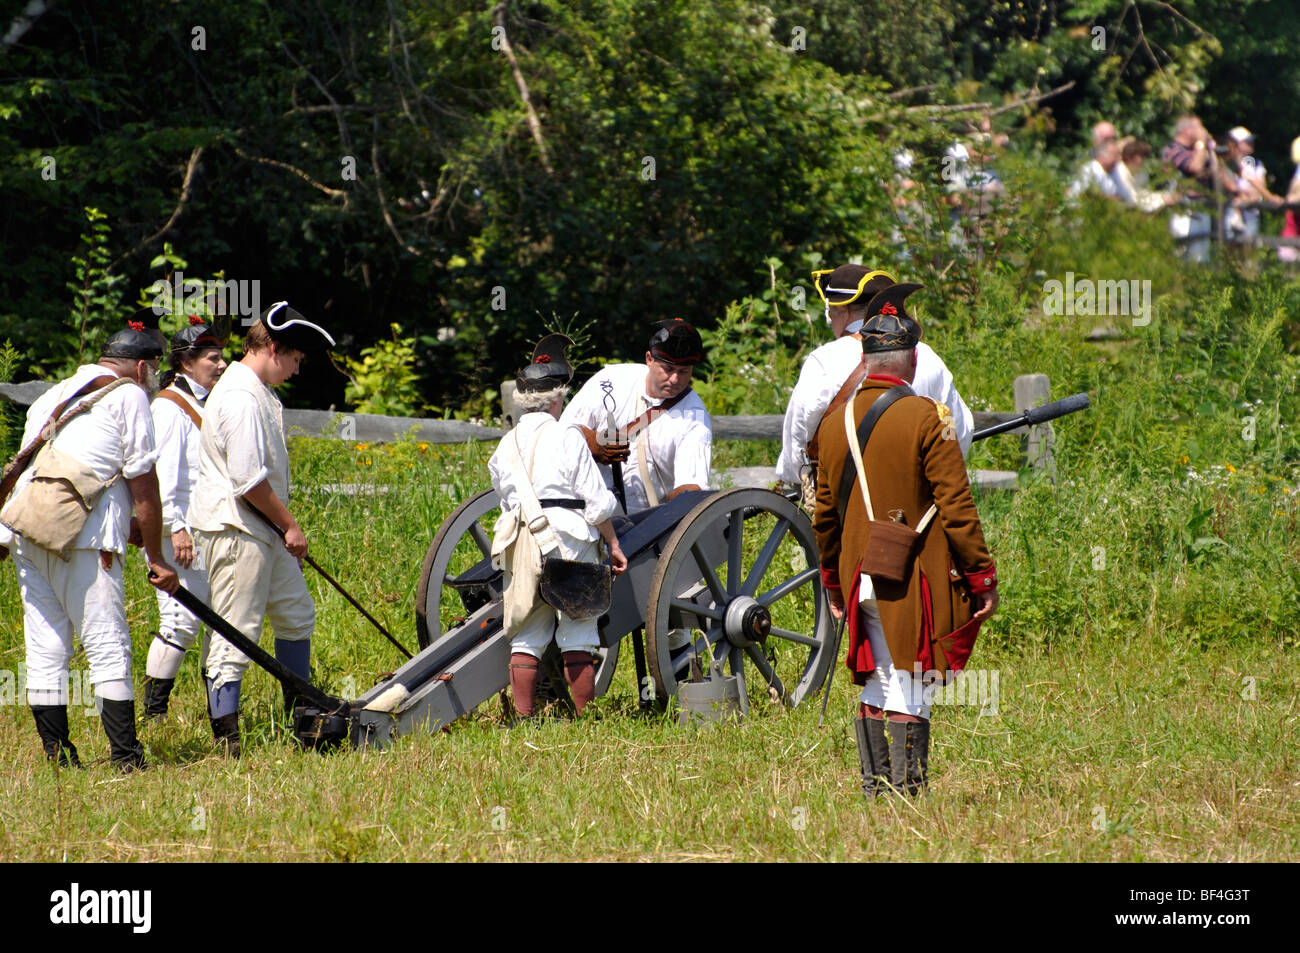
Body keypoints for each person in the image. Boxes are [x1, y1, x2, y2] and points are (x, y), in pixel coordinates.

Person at [812, 283, 998, 798]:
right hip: (910, 570)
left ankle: (877, 791)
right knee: (912, 680)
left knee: (879, 679)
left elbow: (823, 516)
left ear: (867, 358)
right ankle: (905, 793)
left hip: (856, 573)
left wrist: (831, 581)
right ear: (912, 360)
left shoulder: (831, 425)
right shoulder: (927, 416)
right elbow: (958, 507)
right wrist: (982, 576)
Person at [0, 324, 179, 771]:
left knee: (45, 648)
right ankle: (126, 758)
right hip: (85, 538)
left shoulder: (53, 394)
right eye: (155, 367)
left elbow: (28, 470)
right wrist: (155, 557)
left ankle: (59, 759)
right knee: (107, 644)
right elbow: (144, 481)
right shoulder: (130, 394)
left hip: (26, 532)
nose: (155, 376)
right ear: (142, 366)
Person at [188, 302, 334, 756]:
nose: (295, 370)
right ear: (273, 348)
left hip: (261, 530)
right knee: (237, 633)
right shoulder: (239, 397)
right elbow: (249, 480)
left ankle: (303, 721)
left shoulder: (259, 392)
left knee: (296, 615)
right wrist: (292, 527)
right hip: (236, 529)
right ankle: (228, 743)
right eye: (294, 359)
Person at [490, 334, 628, 718]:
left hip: (524, 541)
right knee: (578, 630)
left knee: (529, 634)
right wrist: (614, 544)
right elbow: (595, 499)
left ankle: (525, 718)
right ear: (555, 398)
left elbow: (505, 499)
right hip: (570, 538)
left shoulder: (507, 444)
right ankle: (585, 718)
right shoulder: (566, 435)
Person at [775, 265, 973, 495]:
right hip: (917, 499)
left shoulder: (824, 361)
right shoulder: (929, 357)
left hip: (844, 501)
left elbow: (798, 436)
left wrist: (798, 481)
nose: (830, 322)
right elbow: (959, 429)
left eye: (831, 313)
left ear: (845, 310)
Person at [140, 320, 228, 719]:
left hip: (209, 530)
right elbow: (163, 475)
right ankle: (154, 713)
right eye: (213, 358)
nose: (222, 364)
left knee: (216, 621)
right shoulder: (168, 407)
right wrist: (176, 527)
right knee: (180, 623)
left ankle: (219, 713)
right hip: (181, 532)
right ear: (187, 363)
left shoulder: (208, 403)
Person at [560, 319, 711, 512]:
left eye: (684, 371)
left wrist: (667, 513)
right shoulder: (611, 381)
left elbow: (691, 488)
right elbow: (562, 432)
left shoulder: (695, 417)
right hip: (587, 509)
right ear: (649, 359)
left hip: (645, 523)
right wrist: (593, 443)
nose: (675, 379)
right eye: (668, 369)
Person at [1163, 115, 1235, 262]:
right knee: (1182, 253)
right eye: (1199, 127)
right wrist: (1201, 144)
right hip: (1183, 208)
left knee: (1201, 256)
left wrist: (1211, 150)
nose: (1203, 131)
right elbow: (1195, 167)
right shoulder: (1173, 149)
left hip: (1202, 205)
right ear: (1187, 130)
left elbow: (1217, 174)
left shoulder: (1199, 150)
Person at [1223, 126, 1283, 242]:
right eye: (1247, 141)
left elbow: (1257, 188)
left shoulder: (1254, 163)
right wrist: (1268, 197)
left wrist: (1247, 195)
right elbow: (1235, 187)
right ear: (1236, 144)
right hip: (1231, 212)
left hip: (1251, 212)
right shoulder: (1228, 163)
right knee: (1230, 250)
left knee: (1249, 251)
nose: (1251, 143)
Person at [1114, 138, 1180, 213]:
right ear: (1131, 158)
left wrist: (1165, 197)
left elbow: (1145, 193)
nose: (1144, 160)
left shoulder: (1141, 172)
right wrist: (1162, 200)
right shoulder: (1119, 172)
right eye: (1142, 157)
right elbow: (1131, 199)